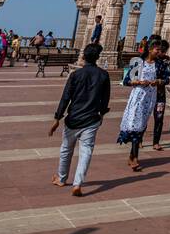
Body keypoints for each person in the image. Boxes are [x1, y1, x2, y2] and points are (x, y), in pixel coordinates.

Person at [50, 43, 111, 196]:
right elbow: (105, 100)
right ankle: (77, 183)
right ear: (98, 57)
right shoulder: (104, 75)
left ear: (84, 57)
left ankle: (61, 178)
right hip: (91, 119)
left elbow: (65, 97)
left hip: (73, 118)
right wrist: (101, 115)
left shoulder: (75, 75)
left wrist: (57, 118)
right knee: (86, 152)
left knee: (66, 149)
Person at [118, 39, 164, 171]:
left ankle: (132, 156)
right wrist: (138, 82)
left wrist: (158, 81)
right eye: (157, 50)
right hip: (138, 97)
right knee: (136, 126)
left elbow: (166, 78)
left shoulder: (159, 64)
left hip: (150, 98)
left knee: (142, 126)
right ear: (150, 49)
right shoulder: (138, 62)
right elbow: (126, 81)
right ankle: (135, 157)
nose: (159, 52)